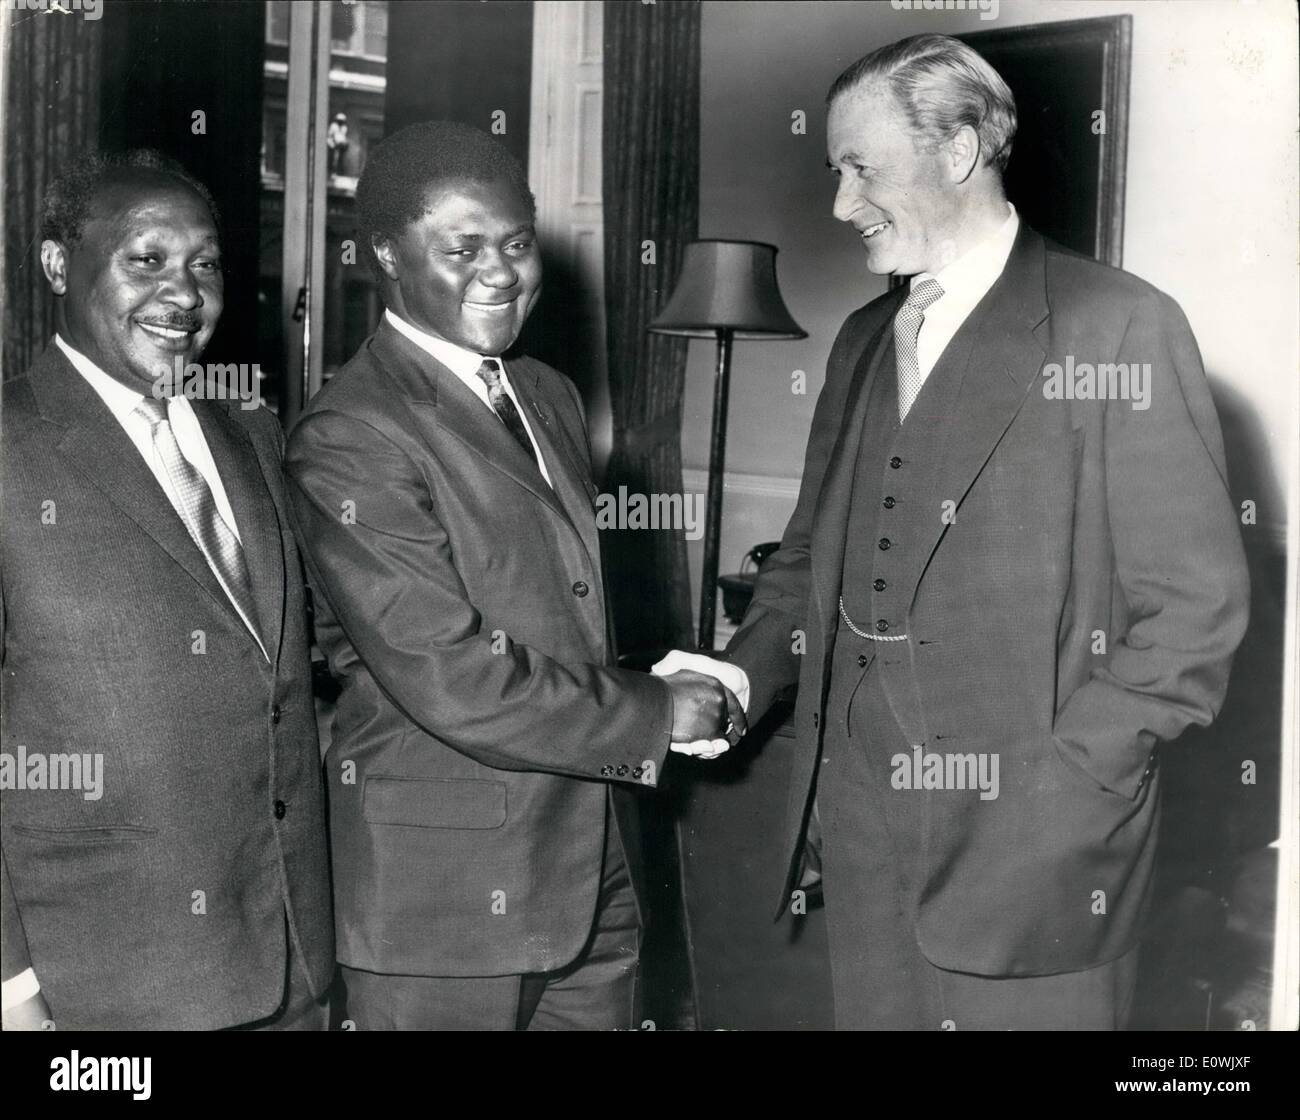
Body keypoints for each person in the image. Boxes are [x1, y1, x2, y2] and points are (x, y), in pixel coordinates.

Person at [684, 34, 1249, 1029]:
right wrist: (738, 675)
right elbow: (809, 562)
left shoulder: (1115, 327)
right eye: (835, 173)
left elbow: (1193, 615)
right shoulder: (863, 339)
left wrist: (1072, 786)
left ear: (956, 152)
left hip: (1039, 849)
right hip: (858, 833)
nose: (840, 204)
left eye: (862, 170)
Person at [284, 121, 743, 1030]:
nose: (501, 272)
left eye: (518, 244)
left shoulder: (547, 393)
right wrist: (655, 712)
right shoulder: (350, 435)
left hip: (591, 867)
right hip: (445, 901)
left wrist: (652, 681)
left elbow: (558, 611)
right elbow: (452, 676)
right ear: (386, 255)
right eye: (462, 249)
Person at [1, 150, 334, 1030]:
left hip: (289, 957)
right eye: (146, 260)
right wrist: (10, 991)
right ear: (57, 266)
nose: (184, 294)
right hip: (104, 980)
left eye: (205, 265)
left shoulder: (251, 432)